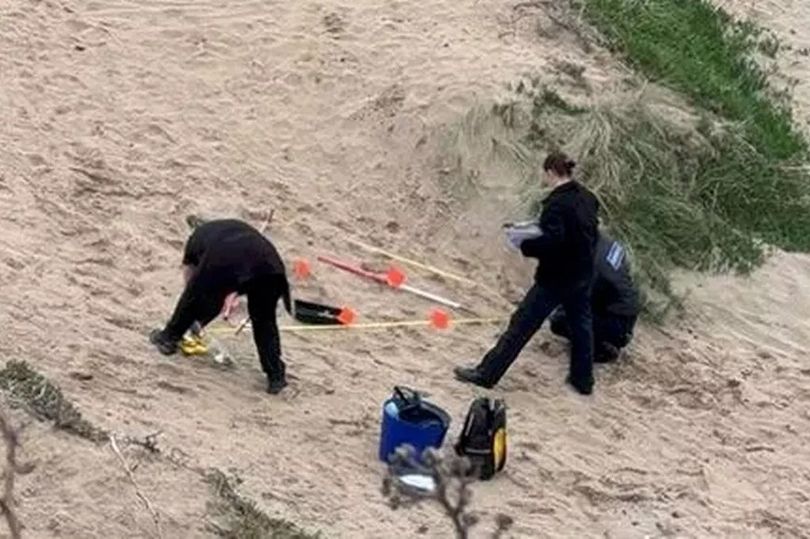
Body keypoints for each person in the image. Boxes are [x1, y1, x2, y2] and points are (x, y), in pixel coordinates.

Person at [454, 152, 600, 395]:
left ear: (551, 173)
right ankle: (583, 380)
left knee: (521, 326)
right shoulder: (588, 197)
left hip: (556, 278)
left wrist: (526, 245)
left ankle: (486, 374)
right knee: (582, 327)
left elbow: (554, 241)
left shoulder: (556, 204)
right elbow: (586, 233)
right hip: (583, 274)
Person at [149, 218, 292, 394]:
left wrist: (177, 326)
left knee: (194, 294)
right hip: (272, 267)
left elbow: (193, 287)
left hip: (229, 258)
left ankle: (169, 338)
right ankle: (276, 377)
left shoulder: (195, 243)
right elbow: (226, 286)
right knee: (264, 321)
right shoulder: (224, 230)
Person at [549, 233, 639, 363]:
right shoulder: (607, 242)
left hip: (616, 325)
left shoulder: (592, 266)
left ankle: (601, 349)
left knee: (559, 322)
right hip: (625, 314)